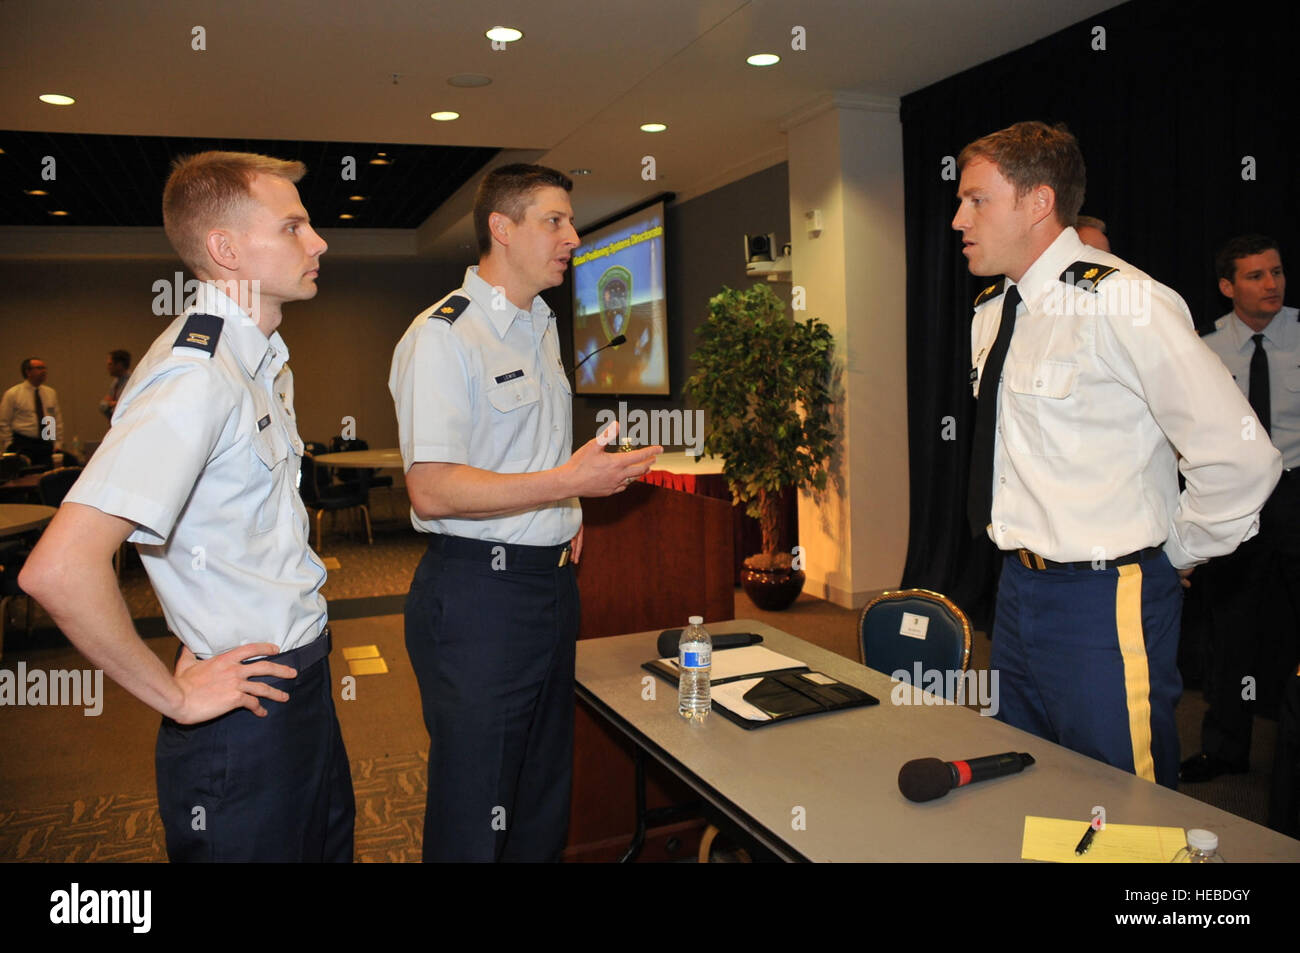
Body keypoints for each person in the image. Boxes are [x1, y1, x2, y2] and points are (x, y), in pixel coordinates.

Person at [20, 151, 354, 862]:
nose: (319, 240)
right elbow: (58, 567)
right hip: (245, 718)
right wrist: (174, 699)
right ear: (226, 249)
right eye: (294, 226)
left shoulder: (257, 360)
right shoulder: (195, 374)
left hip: (297, 684)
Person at [953, 121, 1280, 789]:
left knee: (1123, 804)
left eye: (976, 199)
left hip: (1104, 597)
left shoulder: (1124, 301)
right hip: (1015, 590)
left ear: (1038, 202)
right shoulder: (992, 308)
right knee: (1027, 782)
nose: (959, 218)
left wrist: (1177, 552)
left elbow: (1242, 456)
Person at [389, 163, 661, 861]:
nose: (573, 235)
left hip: (547, 587)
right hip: (480, 597)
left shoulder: (540, 324)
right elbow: (432, 488)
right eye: (555, 220)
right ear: (501, 229)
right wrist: (564, 482)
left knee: (540, 799)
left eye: (571, 220)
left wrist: (566, 509)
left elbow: (517, 456)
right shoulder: (444, 336)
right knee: (476, 814)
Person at [1180, 235, 1299, 785]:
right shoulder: (1201, 348)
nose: (1271, 284)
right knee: (1230, 630)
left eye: (1275, 272)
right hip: (1236, 502)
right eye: (1256, 276)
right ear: (1228, 287)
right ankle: (1225, 748)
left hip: (1297, 493)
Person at [0, 357, 64, 467]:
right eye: (39, 368)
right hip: (23, 443)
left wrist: (57, 443)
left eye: (44, 368)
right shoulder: (13, 394)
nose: (44, 371)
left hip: (46, 442)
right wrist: (8, 445)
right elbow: (4, 422)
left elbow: (54, 419)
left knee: (68, 463)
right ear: (28, 372)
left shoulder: (50, 393)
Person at [98, 349, 132, 422]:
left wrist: (112, 404)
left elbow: (126, 405)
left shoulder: (131, 382)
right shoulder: (116, 382)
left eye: (110, 364)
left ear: (119, 365)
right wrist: (111, 404)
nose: (108, 367)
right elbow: (105, 403)